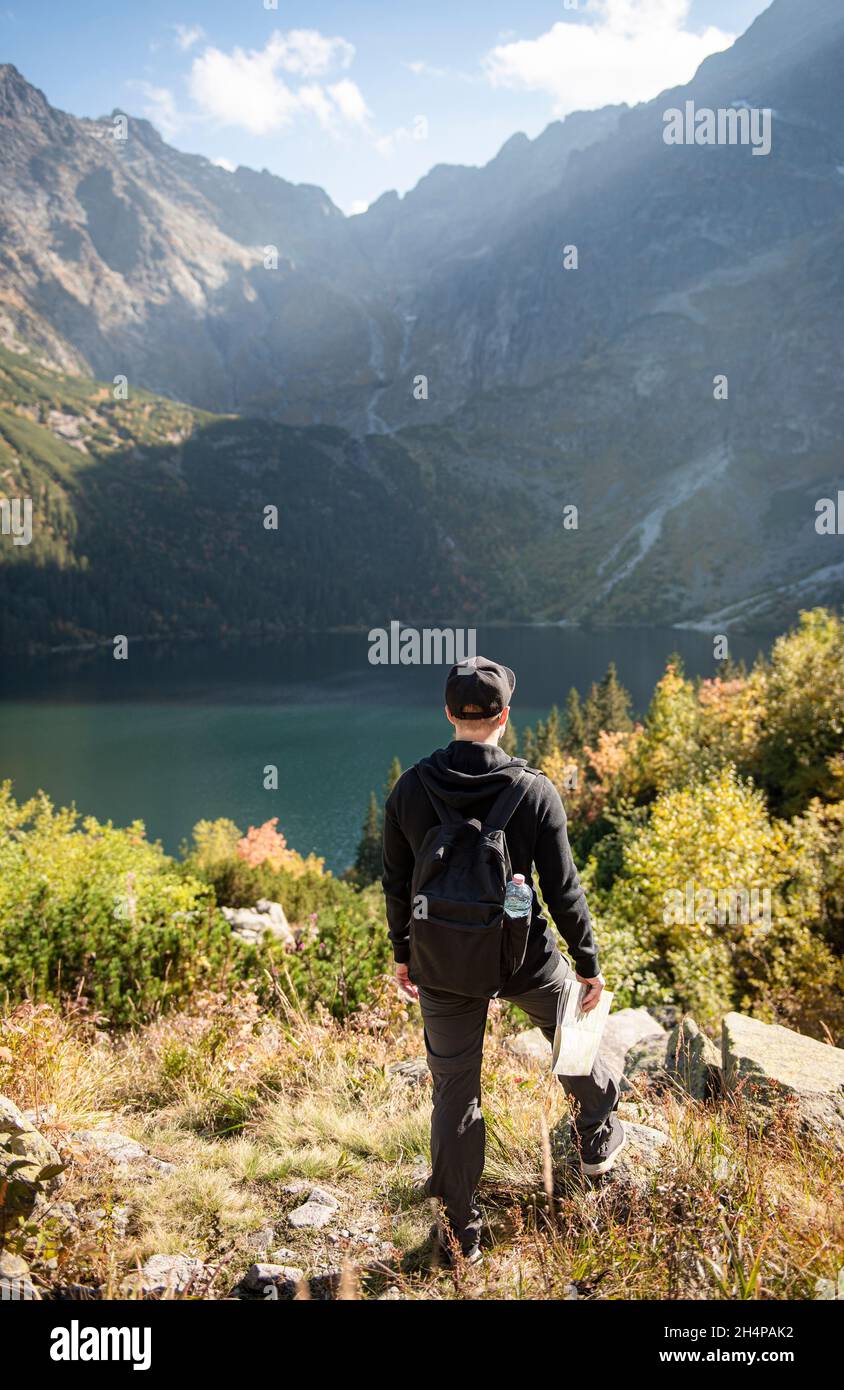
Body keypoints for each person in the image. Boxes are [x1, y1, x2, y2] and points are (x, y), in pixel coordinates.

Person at [382, 655, 623, 1264]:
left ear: (448, 714)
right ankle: (595, 1127)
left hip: (440, 962)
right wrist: (588, 963)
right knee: (572, 1033)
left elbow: (395, 881)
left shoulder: (411, 787)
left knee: (455, 1091)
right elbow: (563, 888)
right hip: (522, 958)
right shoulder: (533, 791)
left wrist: (403, 954)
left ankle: (460, 1229)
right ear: (505, 717)